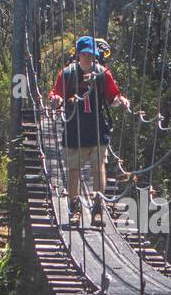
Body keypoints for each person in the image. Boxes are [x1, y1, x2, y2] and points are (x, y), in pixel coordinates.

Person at [48, 36, 130, 226]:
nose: (88, 59)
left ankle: (98, 208)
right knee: (74, 171)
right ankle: (74, 208)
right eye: (84, 54)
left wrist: (122, 101)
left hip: (97, 129)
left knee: (98, 167)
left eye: (91, 55)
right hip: (74, 129)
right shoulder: (67, 74)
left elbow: (113, 97)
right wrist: (56, 100)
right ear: (78, 55)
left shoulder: (103, 74)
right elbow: (55, 93)